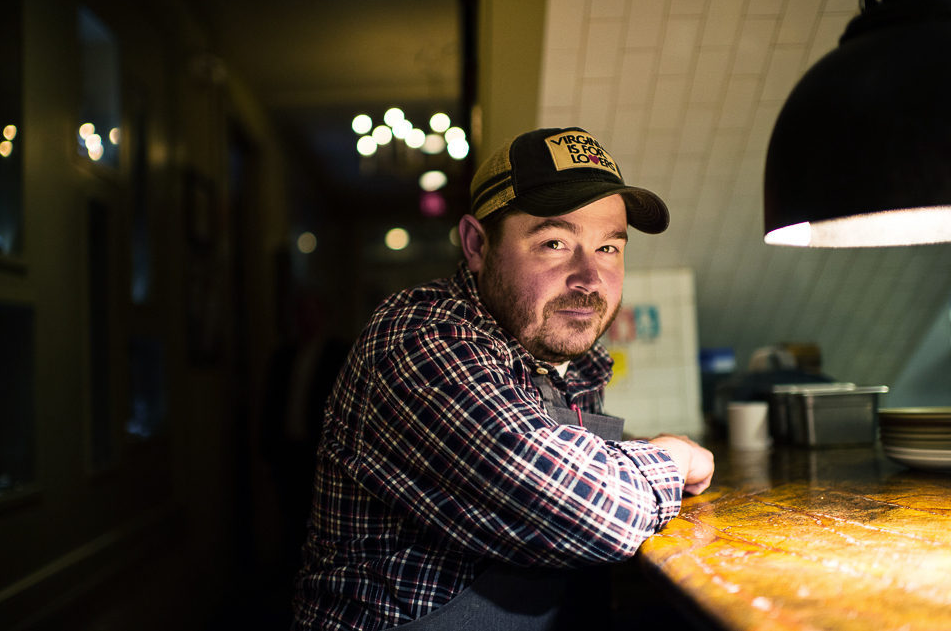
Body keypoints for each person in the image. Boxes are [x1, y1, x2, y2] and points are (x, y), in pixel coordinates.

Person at [291, 127, 714, 631]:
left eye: (608, 248)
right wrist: (672, 455)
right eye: (555, 243)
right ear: (476, 244)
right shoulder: (419, 340)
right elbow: (590, 513)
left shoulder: (561, 354)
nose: (589, 278)